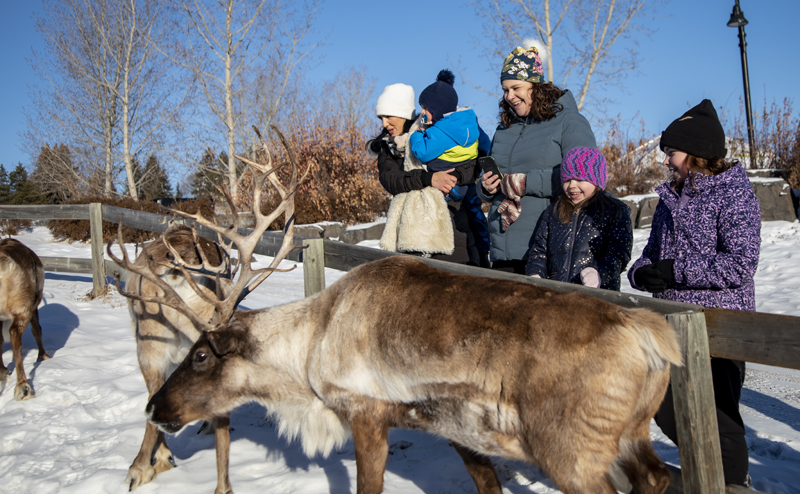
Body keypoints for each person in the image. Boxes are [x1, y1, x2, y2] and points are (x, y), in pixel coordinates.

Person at [628, 99, 760, 488]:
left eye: (672, 152)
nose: (667, 160)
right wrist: (642, 274)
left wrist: (677, 271)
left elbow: (740, 264)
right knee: (667, 408)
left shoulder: (733, 193)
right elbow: (650, 254)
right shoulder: (671, 197)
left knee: (719, 419)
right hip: (674, 323)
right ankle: (706, 476)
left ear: (697, 152)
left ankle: (733, 484)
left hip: (721, 325)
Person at [478, 46, 597, 274]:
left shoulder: (569, 121)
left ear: (536, 86)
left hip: (548, 248)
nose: (509, 96)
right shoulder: (505, 128)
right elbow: (490, 176)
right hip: (503, 248)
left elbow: (585, 176)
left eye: (516, 88)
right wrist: (485, 186)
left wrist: (525, 183)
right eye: (505, 90)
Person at [368, 83, 489, 267]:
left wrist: (454, 175)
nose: (384, 123)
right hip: (412, 228)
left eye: (388, 116)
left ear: (403, 114)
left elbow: (471, 162)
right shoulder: (388, 146)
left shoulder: (434, 130)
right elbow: (391, 180)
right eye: (381, 118)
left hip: (452, 219)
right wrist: (429, 179)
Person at [525, 147, 632, 290]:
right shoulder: (553, 211)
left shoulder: (614, 211)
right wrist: (536, 274)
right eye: (567, 180)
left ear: (596, 180)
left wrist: (599, 271)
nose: (572, 186)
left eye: (580, 179)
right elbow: (539, 251)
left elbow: (619, 251)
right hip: (556, 294)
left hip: (597, 295)